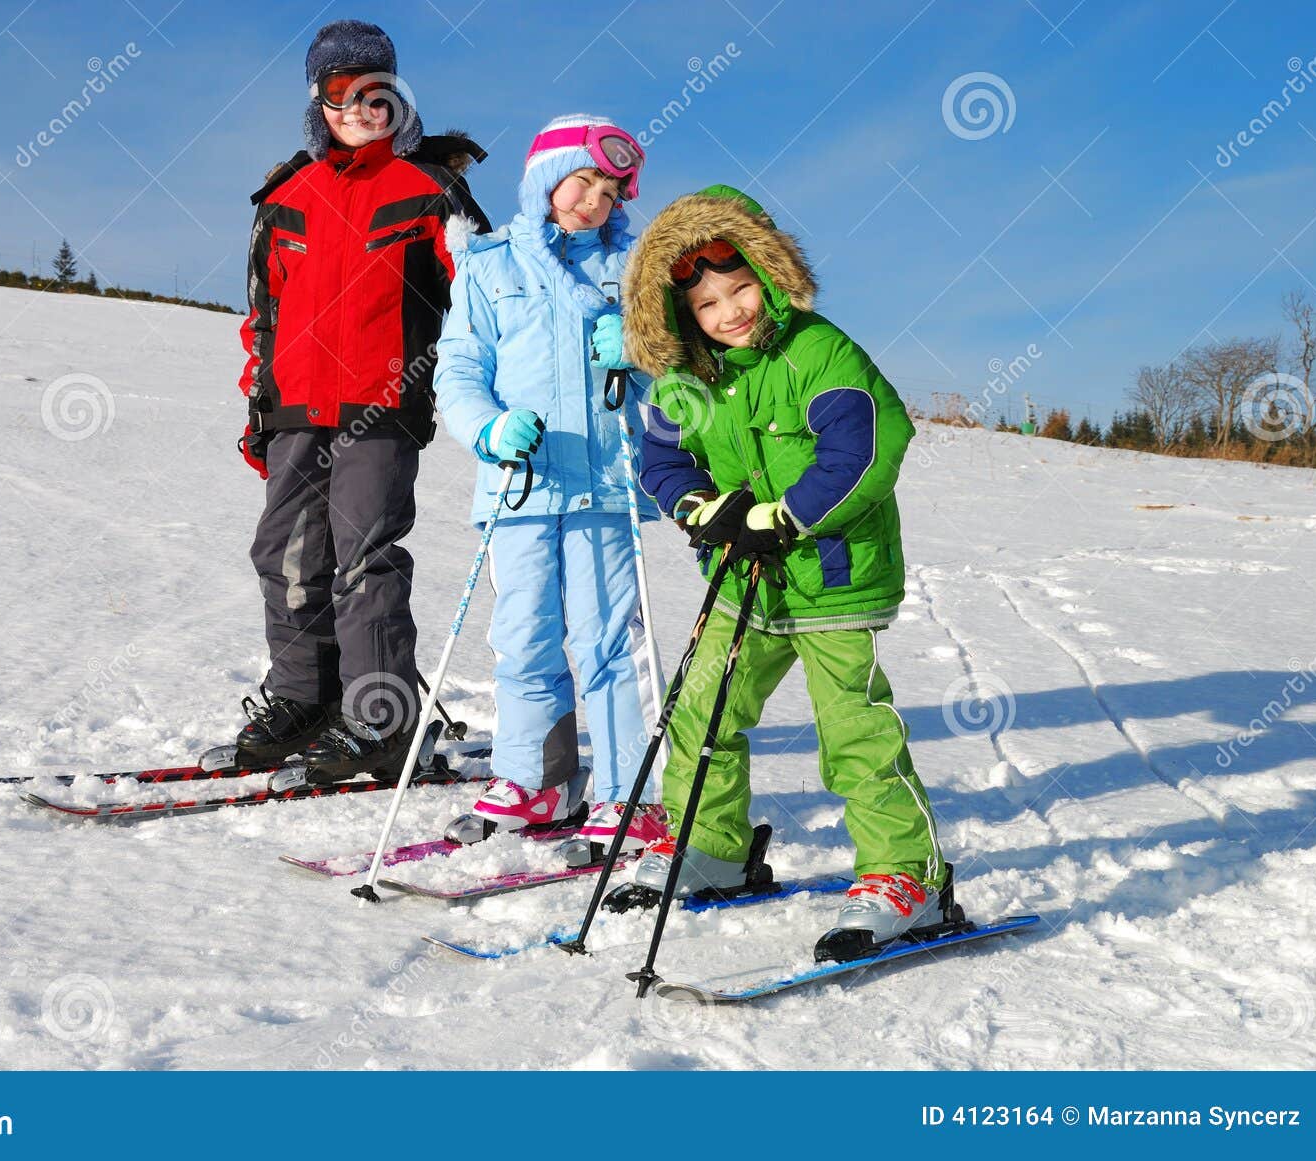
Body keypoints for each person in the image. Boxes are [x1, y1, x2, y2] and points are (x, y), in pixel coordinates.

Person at [624, 184, 952, 954]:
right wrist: (702, 508)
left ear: (770, 275)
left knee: (853, 730)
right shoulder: (688, 380)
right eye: (707, 305)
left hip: (832, 573)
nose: (730, 311)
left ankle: (909, 876)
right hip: (743, 577)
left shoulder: (819, 349)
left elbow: (868, 447)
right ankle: (713, 849)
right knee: (701, 709)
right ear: (682, 318)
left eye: (740, 289)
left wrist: (784, 516)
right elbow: (662, 459)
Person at [233, 20, 488, 786]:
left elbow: (484, 301)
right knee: (284, 556)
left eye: (373, 89)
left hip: (380, 410)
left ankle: (380, 718)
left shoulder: (430, 191)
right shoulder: (286, 196)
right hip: (295, 410)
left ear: (394, 96)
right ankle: (306, 702)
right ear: (320, 103)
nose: (358, 105)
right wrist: (258, 406)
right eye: (339, 93)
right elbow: (261, 314)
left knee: (363, 556)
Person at [433, 115, 666, 860]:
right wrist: (489, 429)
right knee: (523, 637)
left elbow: (682, 376)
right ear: (543, 179)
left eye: (608, 189)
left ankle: (630, 792)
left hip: (602, 486)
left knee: (604, 641)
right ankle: (537, 778)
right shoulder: (489, 264)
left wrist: (638, 350)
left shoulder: (636, 268)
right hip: (520, 484)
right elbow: (460, 368)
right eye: (581, 181)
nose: (593, 200)